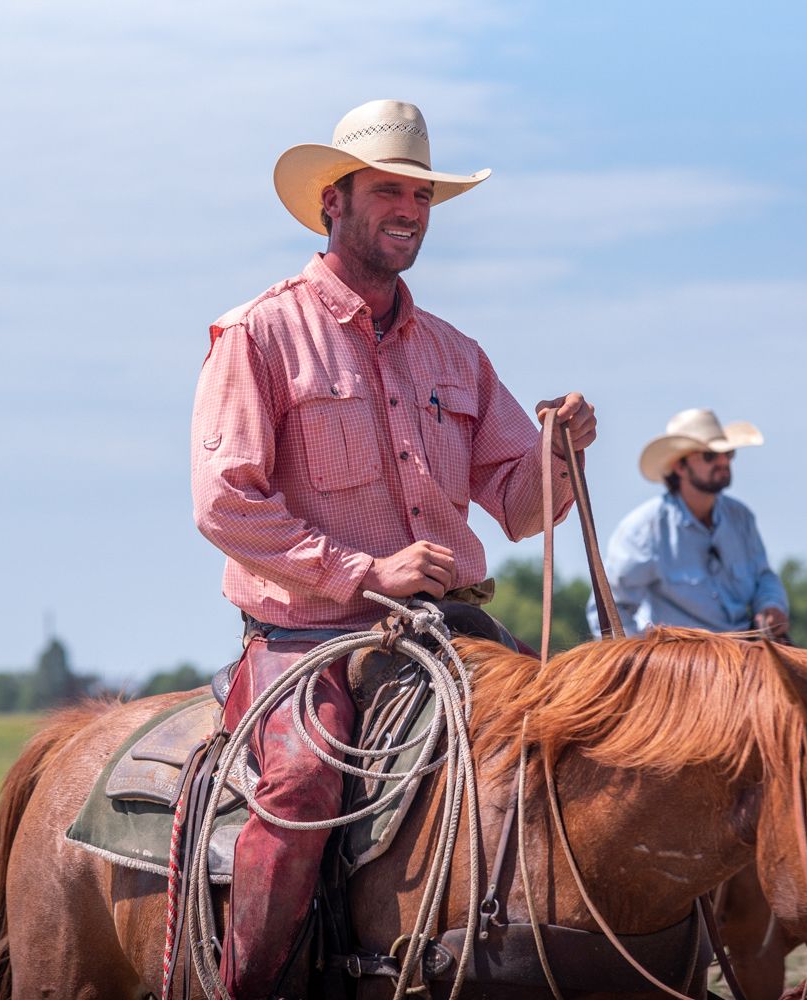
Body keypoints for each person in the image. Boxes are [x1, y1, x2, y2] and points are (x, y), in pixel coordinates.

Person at [190, 98, 597, 998]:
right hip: (314, 640)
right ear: (333, 200)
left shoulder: (458, 354)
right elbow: (225, 502)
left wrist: (558, 455)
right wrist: (365, 573)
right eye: (389, 191)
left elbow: (519, 508)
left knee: (578, 757)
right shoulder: (260, 332)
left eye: (421, 194)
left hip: (454, 633)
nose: (409, 209)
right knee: (298, 792)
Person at [587, 407, 788, 639]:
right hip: (682, 663)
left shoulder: (741, 517)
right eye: (709, 456)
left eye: (728, 453)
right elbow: (610, 608)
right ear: (680, 467)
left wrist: (772, 604)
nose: (723, 461)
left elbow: (764, 576)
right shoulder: (646, 529)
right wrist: (641, 663)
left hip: (745, 654)